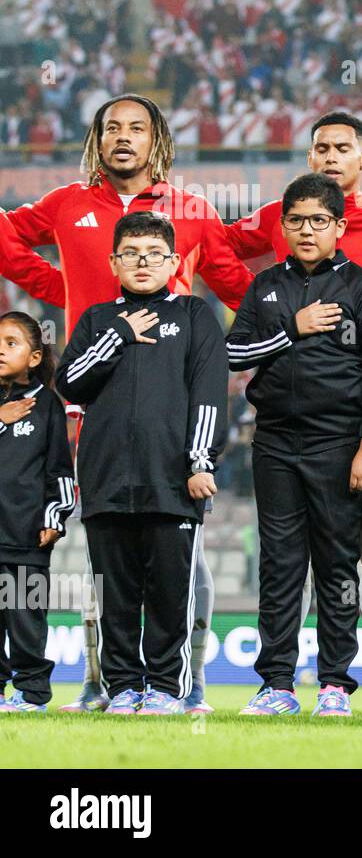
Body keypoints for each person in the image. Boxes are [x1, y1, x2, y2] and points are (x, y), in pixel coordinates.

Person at [2, 93, 253, 715]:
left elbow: (237, 285)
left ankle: (184, 681)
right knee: (88, 553)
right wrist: (57, 286)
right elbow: (6, 237)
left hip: (166, 408)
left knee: (177, 551)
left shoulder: (189, 209)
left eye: (136, 128)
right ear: (96, 139)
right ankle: (98, 679)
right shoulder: (66, 204)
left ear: (156, 140)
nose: (123, 137)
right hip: (82, 404)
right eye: (111, 127)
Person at [224, 110, 362, 716]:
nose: (329, 156)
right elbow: (215, 252)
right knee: (285, 558)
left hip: (359, 430)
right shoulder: (272, 246)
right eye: (319, 147)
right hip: (280, 435)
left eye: (342, 147)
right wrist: (273, 322)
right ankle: (279, 684)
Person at [55, 212, 229, 715]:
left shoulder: (196, 315)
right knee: (115, 596)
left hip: (172, 477)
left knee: (172, 593)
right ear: (114, 262)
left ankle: (168, 690)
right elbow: (70, 384)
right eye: (130, 253)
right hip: (106, 478)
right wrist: (119, 335)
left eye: (154, 253)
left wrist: (200, 462)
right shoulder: (95, 320)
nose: (143, 262)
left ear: (174, 261)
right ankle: (124, 686)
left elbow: (209, 394)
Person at [0, 312, 75, 713]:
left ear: (33, 357)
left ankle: (31, 695)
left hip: (26, 537)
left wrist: (56, 515)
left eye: (11, 342)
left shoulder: (47, 403)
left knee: (25, 618)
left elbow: (59, 470)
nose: (0, 348)